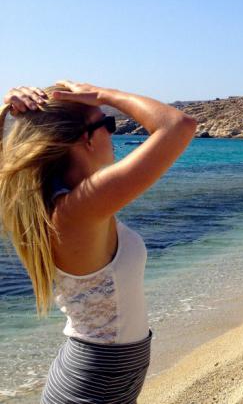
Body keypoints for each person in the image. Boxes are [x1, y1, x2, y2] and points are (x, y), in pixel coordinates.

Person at [0, 82, 196, 404]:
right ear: (84, 139)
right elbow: (177, 125)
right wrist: (102, 95)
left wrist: (17, 113)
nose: (114, 134)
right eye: (108, 124)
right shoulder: (76, 210)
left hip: (109, 372)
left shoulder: (73, 204)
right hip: (92, 381)